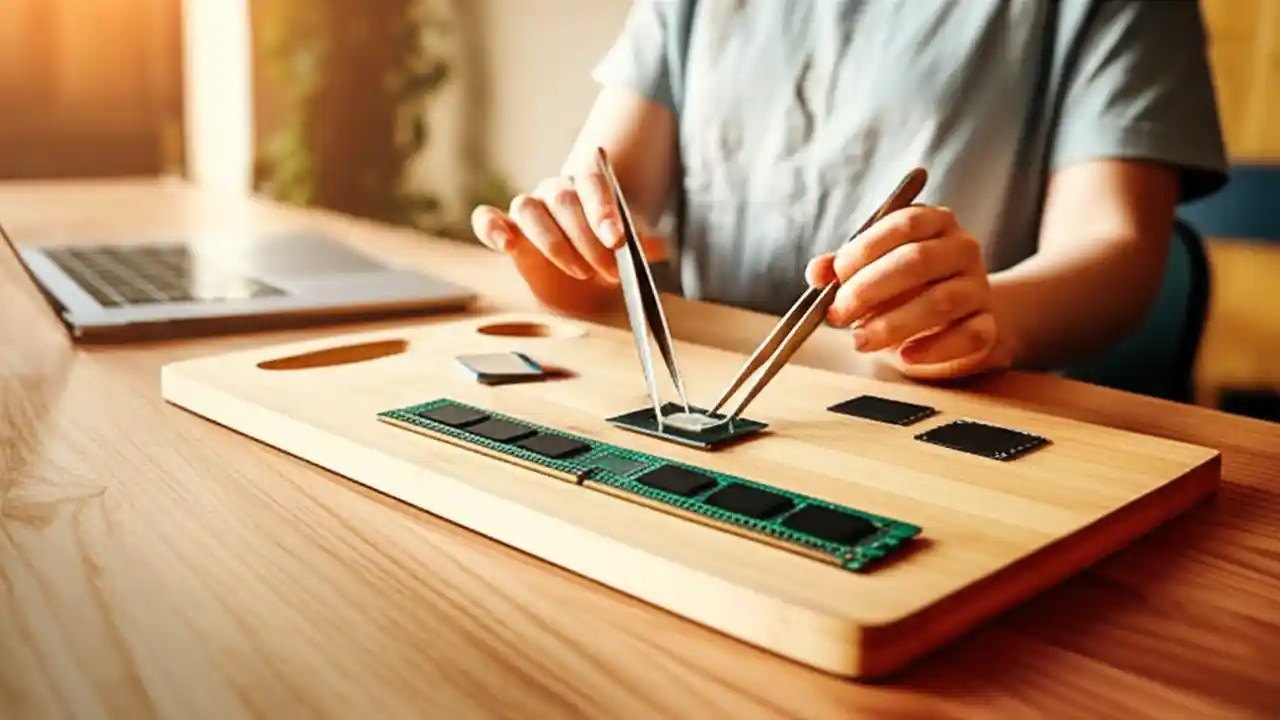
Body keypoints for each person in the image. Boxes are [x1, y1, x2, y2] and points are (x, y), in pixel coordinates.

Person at [470, 0, 1227, 381]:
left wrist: (989, 316)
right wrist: (570, 240)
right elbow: (611, 198)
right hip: (705, 395)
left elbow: (1114, 245)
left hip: (939, 421)